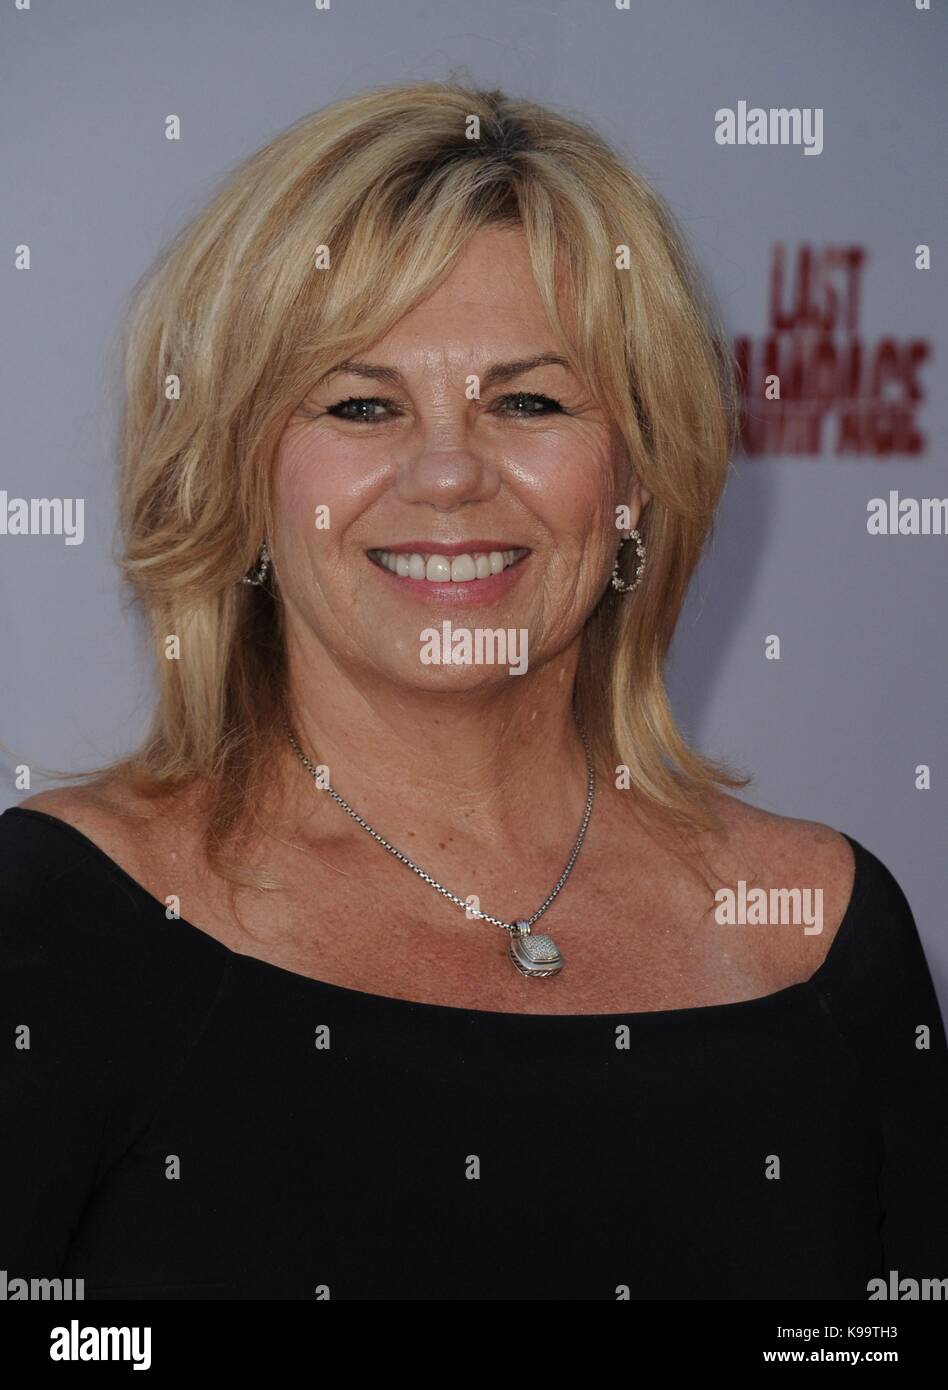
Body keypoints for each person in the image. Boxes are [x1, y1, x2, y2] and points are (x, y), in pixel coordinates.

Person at [1, 80, 945, 1301]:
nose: (447, 472)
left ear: (639, 478)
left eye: (529, 401)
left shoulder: (819, 929)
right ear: (239, 482)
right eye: (359, 404)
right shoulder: (61, 929)